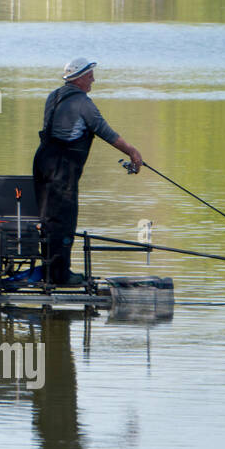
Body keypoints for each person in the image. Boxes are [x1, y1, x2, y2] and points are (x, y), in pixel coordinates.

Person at [32, 58, 143, 285]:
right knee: (64, 219)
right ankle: (60, 276)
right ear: (80, 77)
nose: (93, 79)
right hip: (62, 168)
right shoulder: (83, 103)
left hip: (42, 162)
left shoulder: (54, 96)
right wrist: (132, 151)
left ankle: (51, 270)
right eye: (90, 75)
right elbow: (105, 132)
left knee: (47, 218)